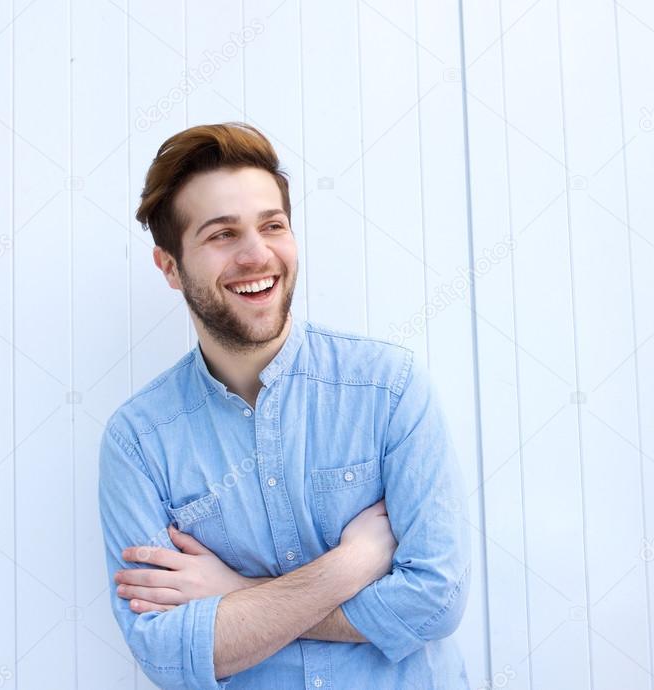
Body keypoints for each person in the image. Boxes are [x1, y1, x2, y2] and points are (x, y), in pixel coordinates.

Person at [97, 122, 472, 689]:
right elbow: (169, 655)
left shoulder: (388, 389)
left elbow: (436, 603)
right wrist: (348, 566)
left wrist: (234, 594)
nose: (257, 255)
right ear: (170, 267)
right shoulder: (139, 441)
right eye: (222, 234)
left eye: (273, 226)